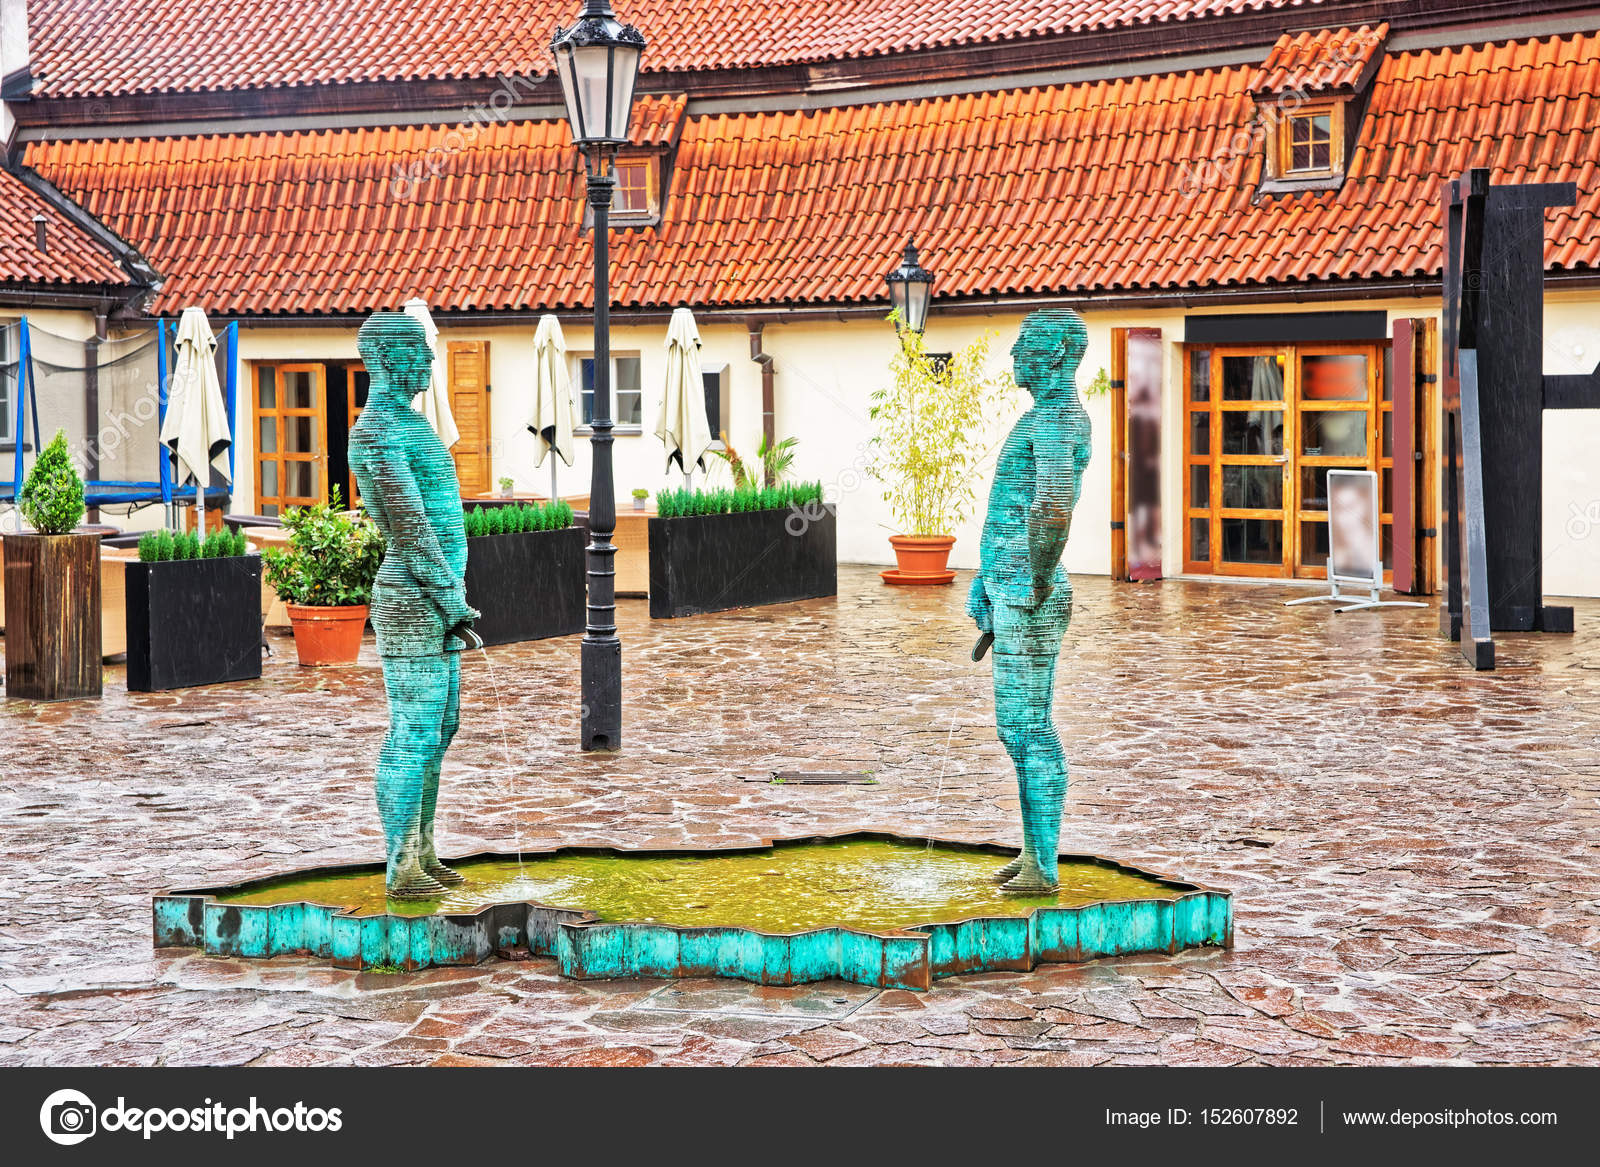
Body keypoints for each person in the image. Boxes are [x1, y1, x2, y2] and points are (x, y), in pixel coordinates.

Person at [348, 311, 481, 899]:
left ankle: (424, 851)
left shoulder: (413, 422)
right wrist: (450, 598)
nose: (429, 360)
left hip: (438, 596)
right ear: (388, 358)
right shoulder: (376, 431)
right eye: (419, 351)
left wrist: (453, 596)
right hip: (411, 596)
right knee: (414, 730)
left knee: (443, 725)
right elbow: (410, 528)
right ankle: (400, 865)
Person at [968, 308, 1092, 894]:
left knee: (1030, 728)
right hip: (1013, 586)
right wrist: (986, 578)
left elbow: (1053, 503)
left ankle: (1043, 866)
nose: (1014, 354)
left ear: (1058, 353)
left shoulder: (1058, 420)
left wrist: (1034, 578)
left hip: (1029, 592)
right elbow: (1013, 508)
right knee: (1016, 729)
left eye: (1025, 344)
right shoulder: (1044, 417)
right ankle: (1031, 853)